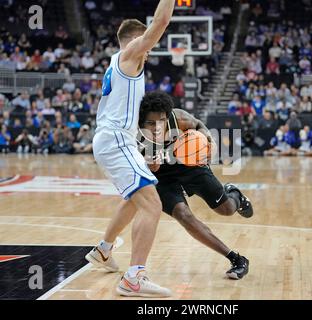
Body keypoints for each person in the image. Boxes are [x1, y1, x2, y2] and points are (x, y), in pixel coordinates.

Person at [85, 0, 175, 298]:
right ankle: (134, 278)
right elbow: (160, 22)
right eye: (147, 46)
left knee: (138, 196)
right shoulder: (130, 54)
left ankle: (103, 250)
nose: (148, 53)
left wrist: (147, 149)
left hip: (115, 139)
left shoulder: (117, 61)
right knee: (152, 204)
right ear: (136, 41)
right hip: (115, 140)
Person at [136, 91, 252, 279]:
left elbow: (199, 125)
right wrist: (148, 166)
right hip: (162, 176)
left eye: (162, 121)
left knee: (227, 209)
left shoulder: (178, 117)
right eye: (151, 122)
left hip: (189, 165)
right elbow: (134, 167)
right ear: (142, 121)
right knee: (183, 215)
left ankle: (235, 195)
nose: (157, 127)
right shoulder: (134, 135)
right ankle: (236, 259)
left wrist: (209, 142)